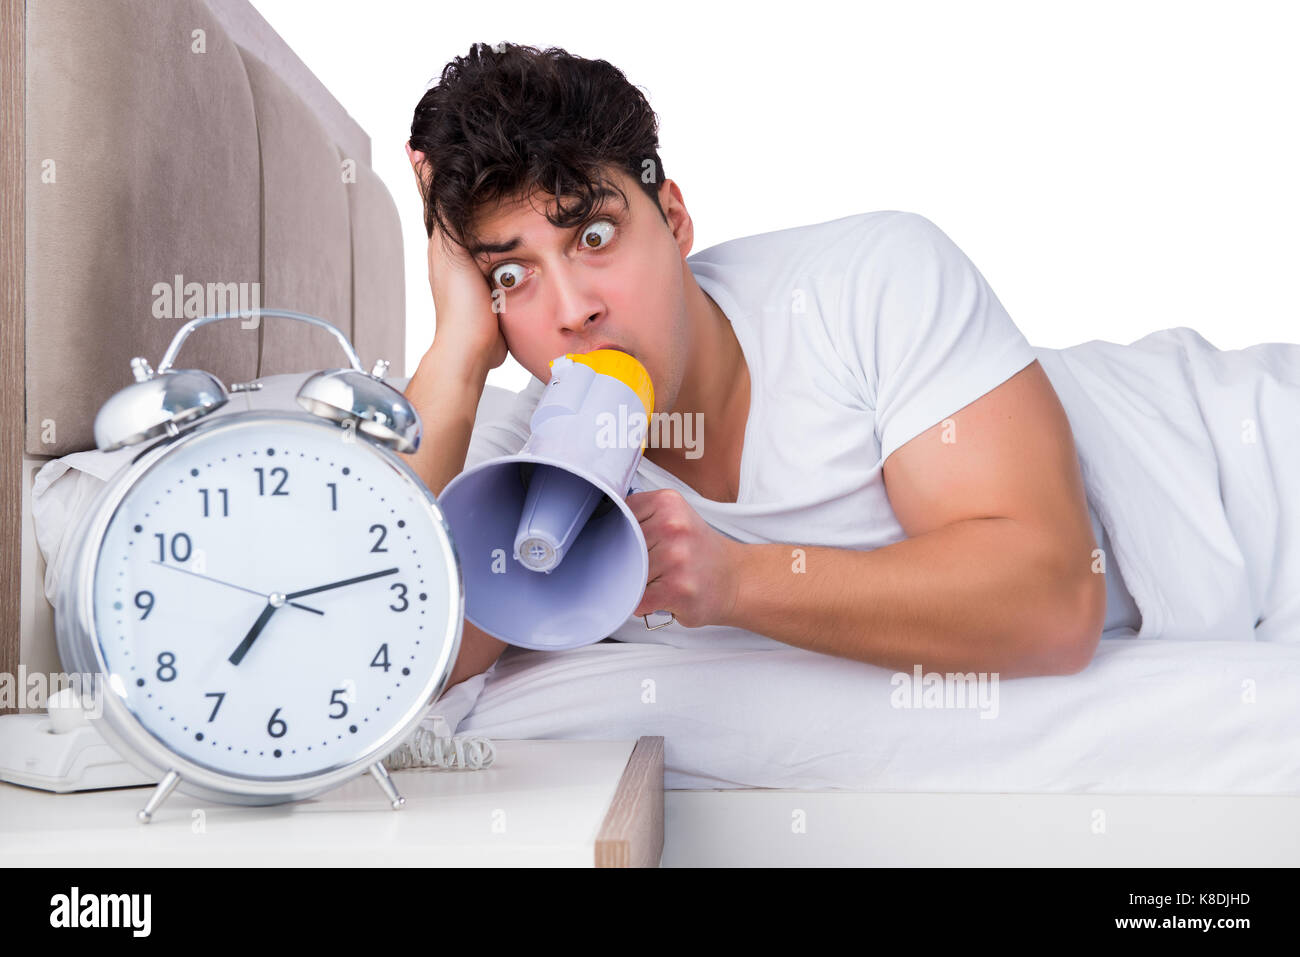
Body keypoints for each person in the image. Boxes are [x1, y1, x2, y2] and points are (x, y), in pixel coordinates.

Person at [401, 41, 1115, 690]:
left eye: (594, 234)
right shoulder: (527, 470)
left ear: (674, 220)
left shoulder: (873, 280)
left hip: (1207, 487)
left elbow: (1057, 603)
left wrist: (735, 580)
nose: (573, 309)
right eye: (512, 276)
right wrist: (456, 355)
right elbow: (390, 655)